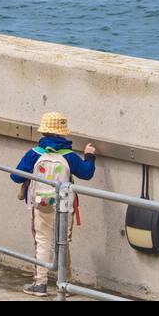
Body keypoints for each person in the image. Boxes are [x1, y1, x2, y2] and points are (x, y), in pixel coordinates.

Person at [9, 111, 97, 297]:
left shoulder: (34, 154)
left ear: (43, 132)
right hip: (65, 206)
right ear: (63, 133)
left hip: (40, 206)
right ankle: (63, 283)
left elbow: (15, 176)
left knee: (42, 241)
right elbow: (87, 173)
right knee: (63, 242)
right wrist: (89, 156)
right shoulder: (69, 156)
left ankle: (40, 283)